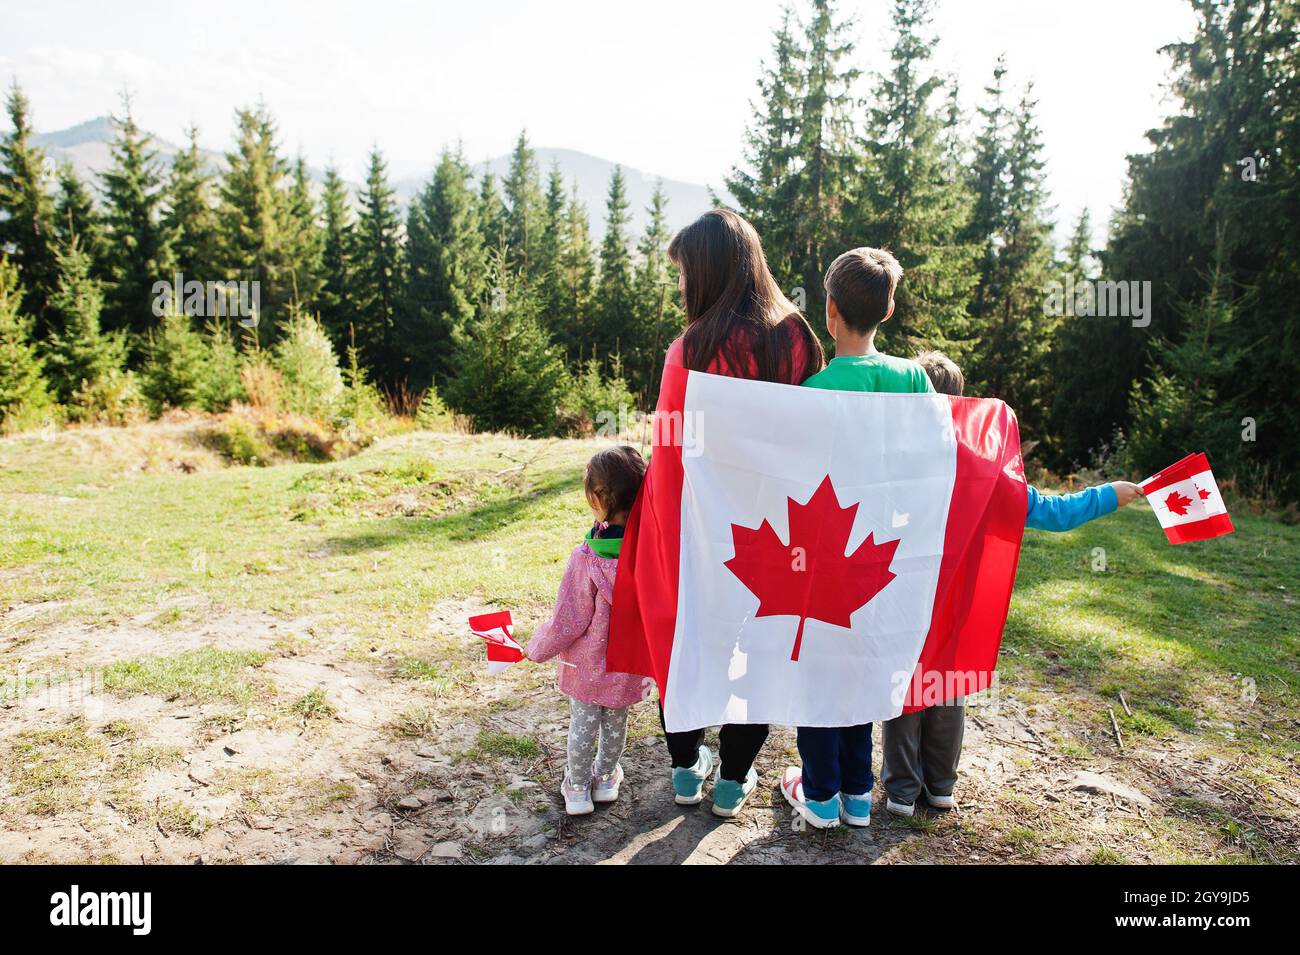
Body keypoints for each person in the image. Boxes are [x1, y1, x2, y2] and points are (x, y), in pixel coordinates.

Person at [878, 349, 1144, 817]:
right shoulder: (987, 470)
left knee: (907, 684)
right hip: (960, 602)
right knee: (947, 684)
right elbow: (1053, 513)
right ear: (961, 403)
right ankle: (940, 785)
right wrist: (1108, 495)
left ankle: (902, 790)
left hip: (908, 594)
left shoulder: (896, 463)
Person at [658, 209, 826, 818]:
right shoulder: (797, 335)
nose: (680, 287)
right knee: (762, 647)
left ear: (705, 272)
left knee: (689, 643)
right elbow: (818, 436)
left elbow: (671, 449)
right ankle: (731, 781)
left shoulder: (690, 348)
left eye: (682, 275)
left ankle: (684, 772)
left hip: (704, 528)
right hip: (779, 531)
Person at [776, 247, 933, 829]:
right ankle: (858, 794)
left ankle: (819, 796)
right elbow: (927, 466)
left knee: (821, 672)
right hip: (885, 556)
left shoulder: (814, 390)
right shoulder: (913, 378)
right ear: (888, 308)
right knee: (865, 666)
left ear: (830, 310)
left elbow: (793, 480)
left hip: (820, 557)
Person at [525, 446, 650, 816]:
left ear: (598, 498)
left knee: (584, 721)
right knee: (616, 720)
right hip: (627, 662)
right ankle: (607, 777)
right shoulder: (648, 552)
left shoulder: (586, 560)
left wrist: (537, 647)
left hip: (588, 665)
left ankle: (578, 787)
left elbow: (569, 620)